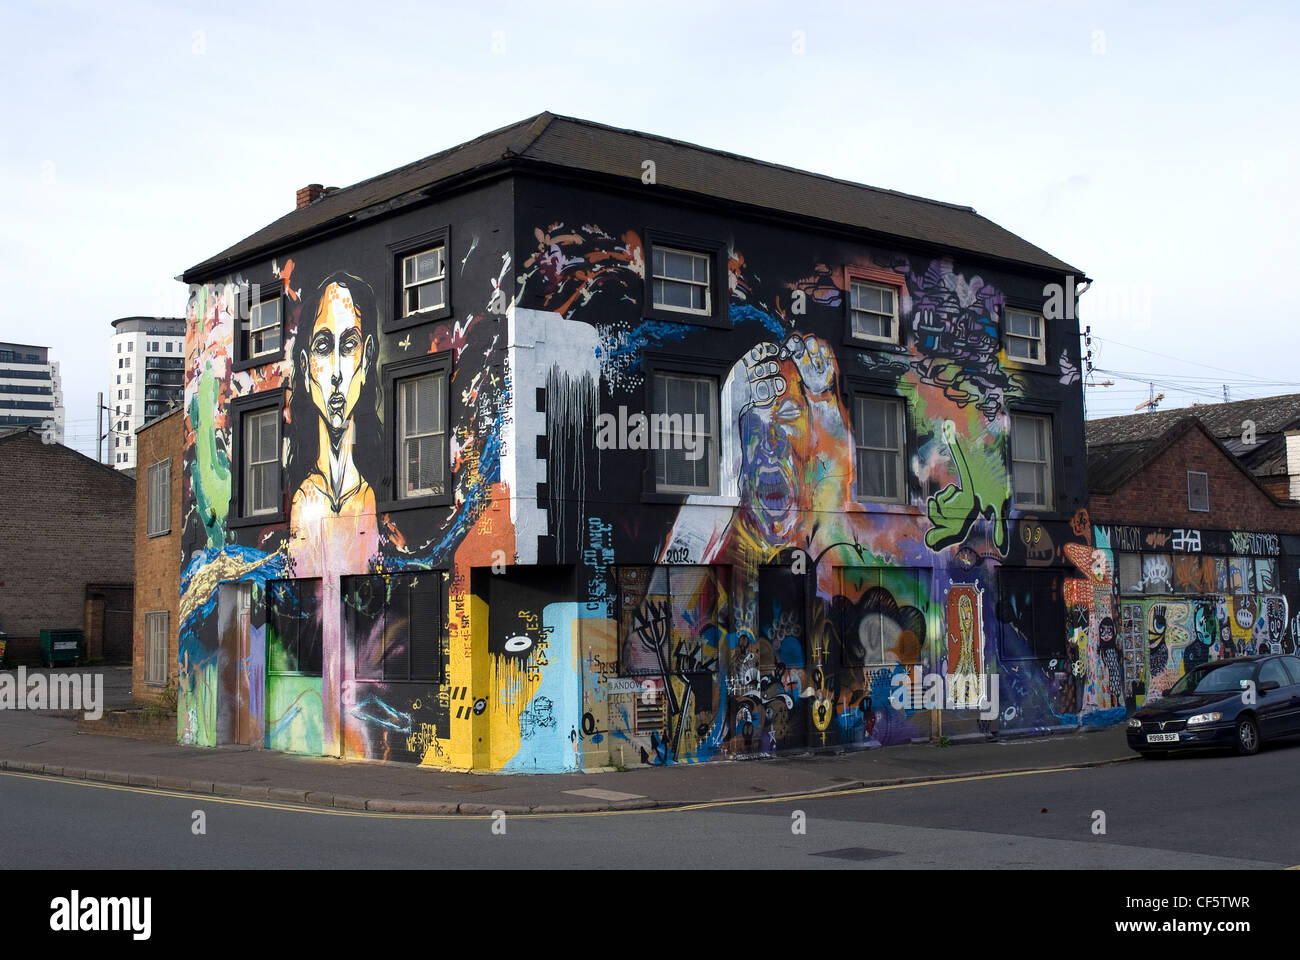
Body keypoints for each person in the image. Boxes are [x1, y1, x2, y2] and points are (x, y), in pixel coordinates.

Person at [287, 271, 381, 577]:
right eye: (324, 347)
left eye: (349, 344)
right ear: (305, 367)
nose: (337, 373)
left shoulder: (370, 500)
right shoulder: (302, 503)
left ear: (366, 358)